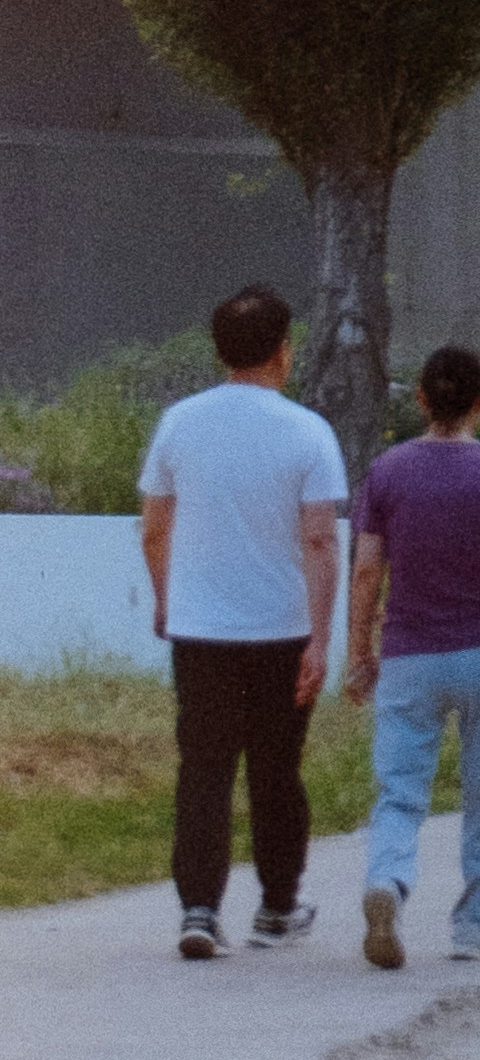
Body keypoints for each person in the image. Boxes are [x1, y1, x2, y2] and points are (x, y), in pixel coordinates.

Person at [138, 284, 347, 962]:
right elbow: (319, 541)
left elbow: (154, 528)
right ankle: (278, 905)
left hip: (200, 629)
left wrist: (167, 598)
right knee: (276, 768)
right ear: (283, 351)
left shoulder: (179, 423)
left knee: (203, 766)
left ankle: (199, 907)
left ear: (219, 348)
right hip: (280, 629)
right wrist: (321, 634)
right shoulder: (308, 431)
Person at [343, 346, 480, 970]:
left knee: (400, 788)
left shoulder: (387, 471)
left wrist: (359, 651)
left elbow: (366, 569)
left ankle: (388, 882)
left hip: (410, 654)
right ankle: (474, 926)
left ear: (422, 400)